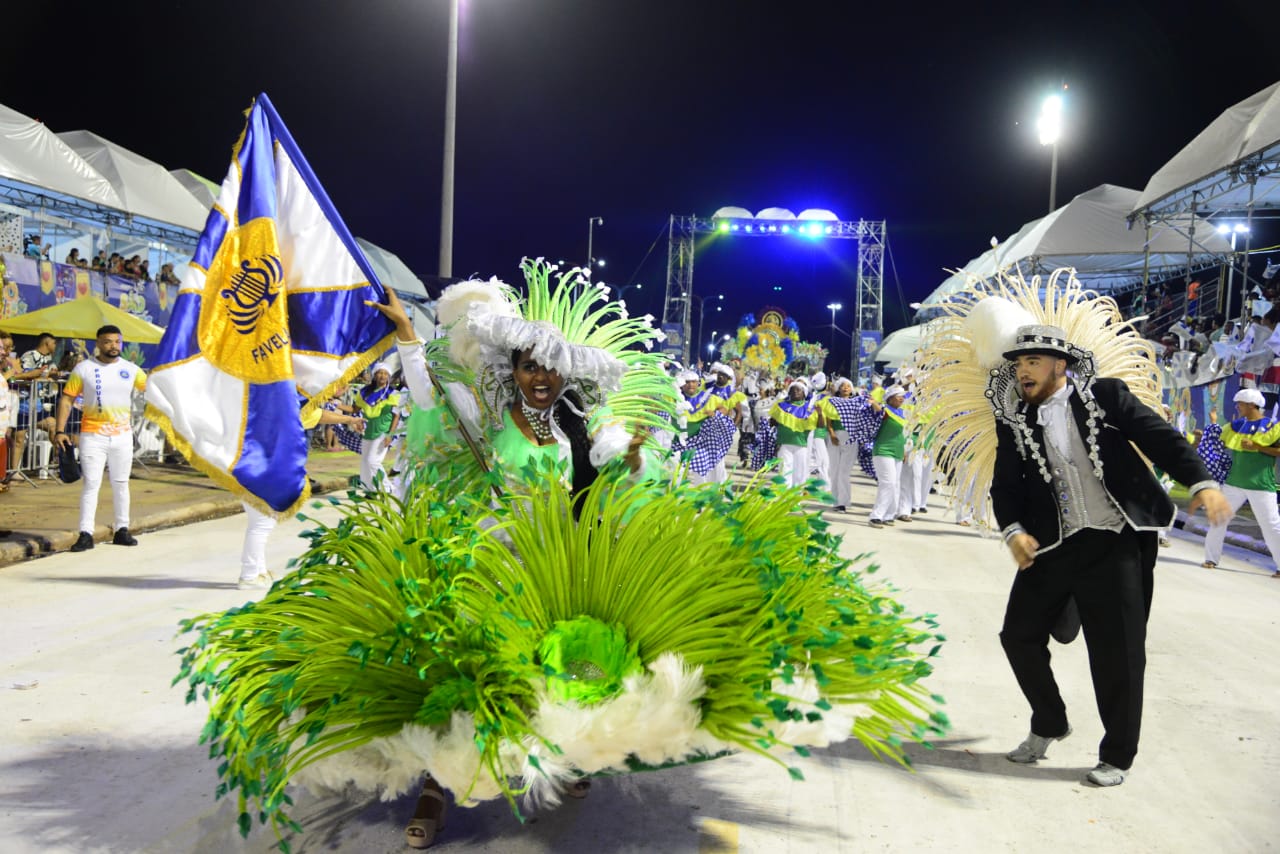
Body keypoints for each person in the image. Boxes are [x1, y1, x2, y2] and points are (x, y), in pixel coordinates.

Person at [990, 324, 1228, 787]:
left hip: (1114, 540)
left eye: (1032, 361)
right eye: (1018, 364)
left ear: (1060, 365)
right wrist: (1013, 531)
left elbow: (1159, 437)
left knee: (1117, 652)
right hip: (1053, 544)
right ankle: (1050, 722)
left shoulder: (1104, 396)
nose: (1022, 371)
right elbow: (1006, 484)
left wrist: (1202, 481)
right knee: (1017, 636)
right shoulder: (1014, 418)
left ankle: (1116, 755)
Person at [54, 325, 148, 551]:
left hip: (122, 436)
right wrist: (59, 430)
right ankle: (86, 533)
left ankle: (122, 530)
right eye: (107, 341)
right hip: (92, 435)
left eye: (117, 341)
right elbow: (67, 400)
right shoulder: (84, 369)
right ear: (98, 343)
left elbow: (154, 390)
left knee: (121, 483)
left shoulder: (132, 370)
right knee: (91, 484)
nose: (113, 346)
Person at [1201, 388, 1280, 576]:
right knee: (1218, 519)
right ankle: (1211, 558)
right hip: (1233, 483)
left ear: (1252, 405)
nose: (1237, 406)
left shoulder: (1273, 427)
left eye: (1240, 404)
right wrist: (1209, 428)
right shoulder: (1236, 425)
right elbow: (1217, 437)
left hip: (1261, 485)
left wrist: (1258, 446)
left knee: (1271, 526)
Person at [11, 332, 60, 479]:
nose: (55, 346)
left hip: (36, 405)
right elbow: (23, 375)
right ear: (47, 343)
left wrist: (51, 376)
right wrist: (42, 376)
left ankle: (58, 463)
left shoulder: (49, 359)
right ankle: (14, 471)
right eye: (54, 343)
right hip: (23, 403)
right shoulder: (30, 356)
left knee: (54, 426)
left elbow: (41, 377)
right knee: (19, 438)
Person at [864, 384, 910, 527]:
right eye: (899, 396)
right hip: (883, 450)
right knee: (888, 483)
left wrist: (904, 451)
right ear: (890, 398)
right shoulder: (884, 411)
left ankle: (889, 515)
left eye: (903, 396)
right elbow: (877, 409)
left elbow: (903, 434)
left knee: (895, 484)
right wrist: (873, 402)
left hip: (897, 451)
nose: (902, 398)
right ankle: (875, 516)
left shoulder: (903, 413)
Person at [354, 362, 401, 489]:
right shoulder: (365, 392)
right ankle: (369, 489)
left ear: (389, 377)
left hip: (383, 431)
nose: (382, 376)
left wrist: (390, 435)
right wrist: (335, 404)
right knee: (364, 462)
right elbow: (355, 409)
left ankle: (388, 488)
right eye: (380, 373)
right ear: (375, 375)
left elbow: (396, 415)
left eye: (385, 374)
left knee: (372, 461)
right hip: (368, 430)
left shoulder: (393, 393)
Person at [769, 378, 817, 488]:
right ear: (789, 392)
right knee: (784, 471)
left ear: (804, 394)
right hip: (784, 443)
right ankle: (784, 499)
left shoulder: (809, 408)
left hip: (801, 445)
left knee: (799, 473)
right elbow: (772, 422)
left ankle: (796, 500)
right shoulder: (780, 405)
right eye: (793, 389)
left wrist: (818, 413)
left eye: (799, 390)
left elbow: (816, 425)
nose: (795, 391)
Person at [821, 377, 860, 512]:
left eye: (848, 386)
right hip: (835, 436)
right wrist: (832, 434)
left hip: (851, 437)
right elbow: (829, 421)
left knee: (844, 472)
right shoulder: (832, 402)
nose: (845, 388)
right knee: (834, 470)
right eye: (843, 386)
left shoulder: (857, 403)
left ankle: (843, 501)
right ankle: (836, 501)